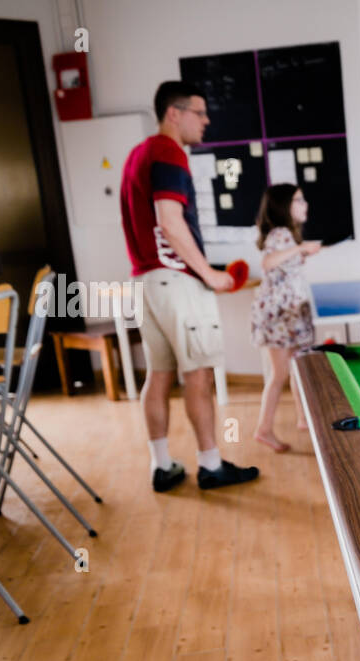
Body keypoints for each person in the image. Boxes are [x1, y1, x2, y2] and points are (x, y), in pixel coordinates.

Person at [119, 80, 259, 492]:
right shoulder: (168, 150)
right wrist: (210, 275)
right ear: (174, 113)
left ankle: (162, 466)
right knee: (197, 376)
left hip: (145, 281)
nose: (207, 120)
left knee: (158, 376)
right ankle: (212, 466)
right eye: (199, 112)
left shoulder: (137, 154)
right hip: (177, 283)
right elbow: (169, 219)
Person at [250, 184, 322, 452]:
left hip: (289, 316)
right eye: (299, 200)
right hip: (279, 317)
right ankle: (264, 429)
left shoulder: (287, 236)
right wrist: (300, 248)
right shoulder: (281, 234)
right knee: (280, 374)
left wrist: (302, 249)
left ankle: (304, 418)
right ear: (284, 206)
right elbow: (268, 263)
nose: (305, 204)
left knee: (297, 367)